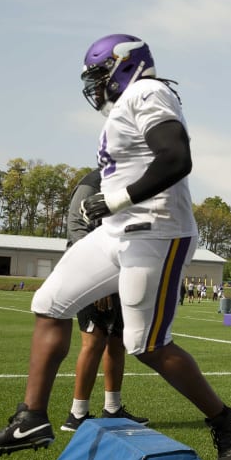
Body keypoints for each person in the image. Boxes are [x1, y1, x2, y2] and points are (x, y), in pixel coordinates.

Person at [0, 34, 231, 460]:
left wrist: (116, 199)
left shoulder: (147, 92)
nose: (94, 86)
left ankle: (225, 420)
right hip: (115, 232)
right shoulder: (123, 107)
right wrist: (113, 208)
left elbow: (176, 158)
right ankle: (32, 418)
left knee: (145, 345)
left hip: (157, 232)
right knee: (48, 304)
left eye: (99, 75)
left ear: (123, 65)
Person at [60, 168, 149, 432]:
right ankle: (77, 414)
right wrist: (96, 279)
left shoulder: (129, 186)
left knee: (117, 341)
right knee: (94, 340)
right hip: (90, 270)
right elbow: (78, 230)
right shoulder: (92, 183)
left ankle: (112, 409)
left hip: (121, 272)